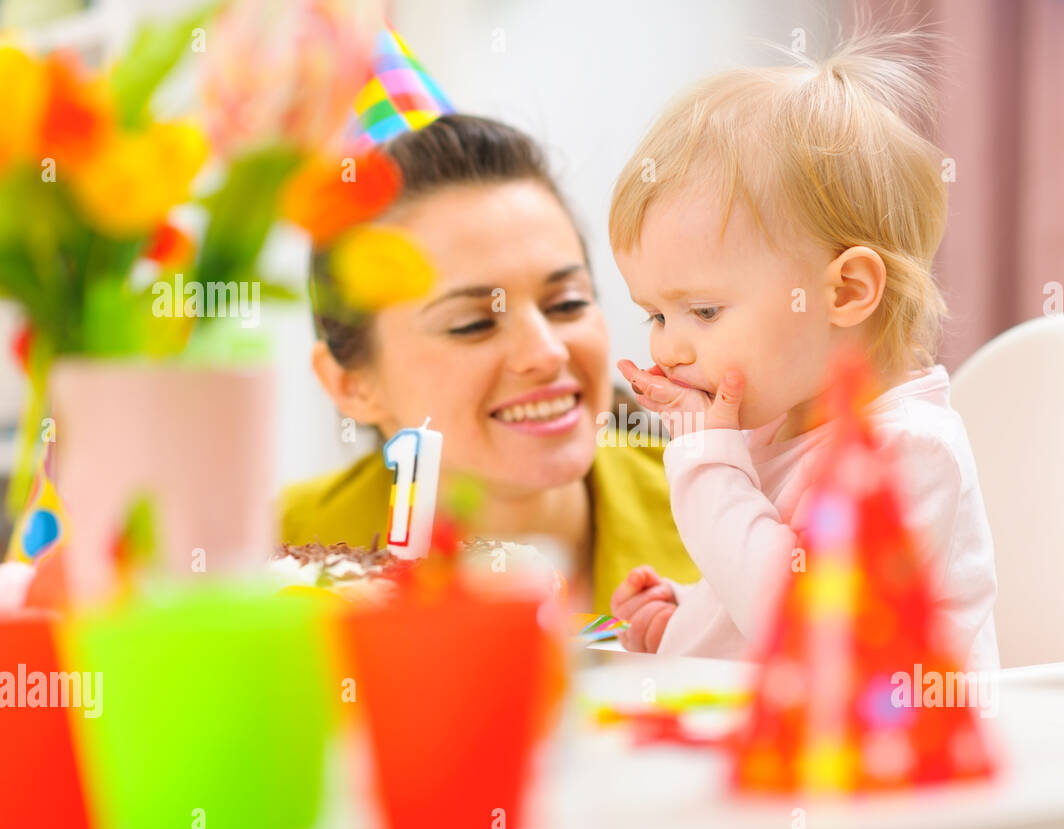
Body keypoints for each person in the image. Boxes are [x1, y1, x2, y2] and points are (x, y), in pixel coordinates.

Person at [606, 34, 1000, 669]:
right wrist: (687, 618)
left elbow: (803, 631)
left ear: (845, 291)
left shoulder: (906, 451)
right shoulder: (776, 426)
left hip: (901, 757)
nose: (667, 348)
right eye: (654, 314)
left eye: (703, 311)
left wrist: (706, 465)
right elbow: (758, 600)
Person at [279, 114, 698, 613]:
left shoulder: (751, 528)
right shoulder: (260, 563)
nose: (545, 352)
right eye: (472, 324)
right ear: (351, 385)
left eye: (566, 303)